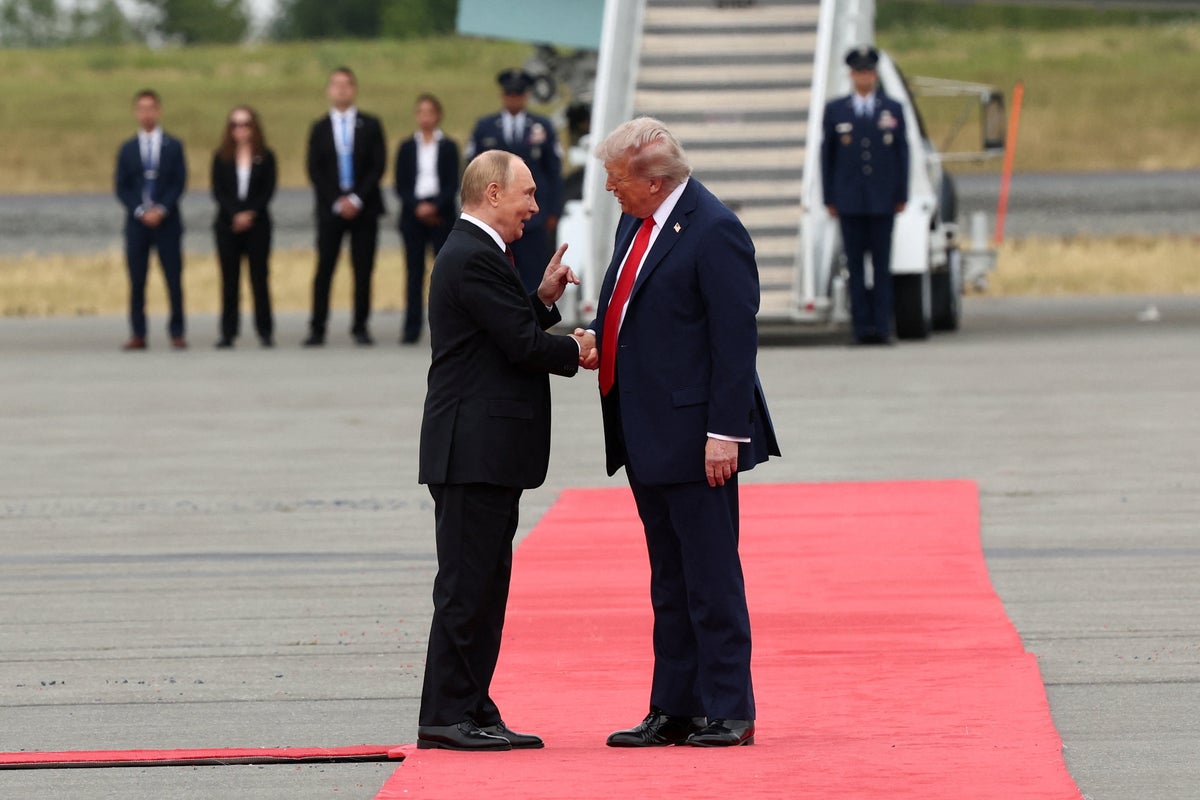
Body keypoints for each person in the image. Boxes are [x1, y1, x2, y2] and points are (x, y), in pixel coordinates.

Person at [576, 118, 779, 749]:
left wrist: (726, 432)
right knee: (669, 578)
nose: (609, 187)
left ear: (654, 179)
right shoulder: (634, 222)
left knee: (710, 577)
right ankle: (674, 707)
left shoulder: (714, 229)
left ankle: (728, 709)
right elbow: (636, 311)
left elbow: (734, 340)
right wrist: (595, 334)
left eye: (616, 178)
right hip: (644, 431)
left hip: (698, 437)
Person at [416, 150, 587, 752]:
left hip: (486, 451)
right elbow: (519, 345)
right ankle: (444, 712)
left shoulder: (482, 254)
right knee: (467, 588)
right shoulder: (471, 254)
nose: (535, 207)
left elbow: (504, 330)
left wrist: (539, 299)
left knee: (487, 587)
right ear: (493, 193)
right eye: (528, 194)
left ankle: (472, 702)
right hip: (471, 451)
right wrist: (579, 350)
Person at [821, 45, 909, 345]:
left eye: (869, 72)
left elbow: (901, 154)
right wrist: (829, 197)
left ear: (875, 74)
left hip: (883, 200)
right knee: (855, 267)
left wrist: (902, 193)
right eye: (859, 72)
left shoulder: (892, 108)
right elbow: (827, 157)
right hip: (849, 201)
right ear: (852, 75)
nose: (864, 77)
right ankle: (860, 328)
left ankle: (882, 327)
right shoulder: (837, 110)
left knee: (882, 266)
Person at [304, 66, 387, 347]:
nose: (341, 90)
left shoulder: (370, 124)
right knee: (325, 267)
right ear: (329, 90)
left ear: (354, 89)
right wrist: (336, 200)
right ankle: (317, 327)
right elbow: (314, 169)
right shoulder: (319, 127)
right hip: (331, 209)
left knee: (363, 268)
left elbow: (378, 165)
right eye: (336, 85)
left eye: (346, 85)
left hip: (364, 207)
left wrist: (356, 198)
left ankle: (361, 326)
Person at [465, 69, 563, 293]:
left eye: (518, 94)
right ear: (503, 95)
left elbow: (553, 171)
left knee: (533, 275)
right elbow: (473, 172)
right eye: (509, 94)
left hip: (533, 215)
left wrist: (553, 211)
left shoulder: (542, 127)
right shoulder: (486, 127)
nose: (513, 99)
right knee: (496, 276)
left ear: (525, 96)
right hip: (496, 215)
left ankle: (533, 323)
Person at [114, 89, 188, 351]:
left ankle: (177, 331)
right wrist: (140, 210)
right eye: (142, 109)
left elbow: (179, 182)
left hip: (167, 222)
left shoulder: (173, 146)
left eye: (151, 108)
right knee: (137, 279)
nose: (147, 114)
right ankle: (138, 332)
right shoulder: (127, 149)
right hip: (137, 224)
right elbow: (121, 187)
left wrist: (162, 209)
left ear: (159, 110)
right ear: (136, 112)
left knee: (173, 277)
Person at [394, 93, 460, 344]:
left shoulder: (448, 146)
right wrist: (417, 207)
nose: (425, 117)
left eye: (430, 112)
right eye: (421, 112)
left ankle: (447, 327)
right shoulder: (407, 146)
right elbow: (401, 184)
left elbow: (452, 182)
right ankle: (411, 328)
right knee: (413, 272)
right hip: (413, 215)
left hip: (440, 215)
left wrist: (435, 207)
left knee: (443, 273)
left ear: (438, 115)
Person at [210, 105, 277, 349]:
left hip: (258, 225)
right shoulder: (221, 157)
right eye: (235, 125)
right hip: (228, 226)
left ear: (254, 127)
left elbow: (268, 190)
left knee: (259, 279)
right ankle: (228, 332)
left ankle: (265, 330)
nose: (241, 130)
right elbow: (218, 191)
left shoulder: (266, 157)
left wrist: (250, 213)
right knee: (230, 280)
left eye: (246, 124)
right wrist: (235, 214)